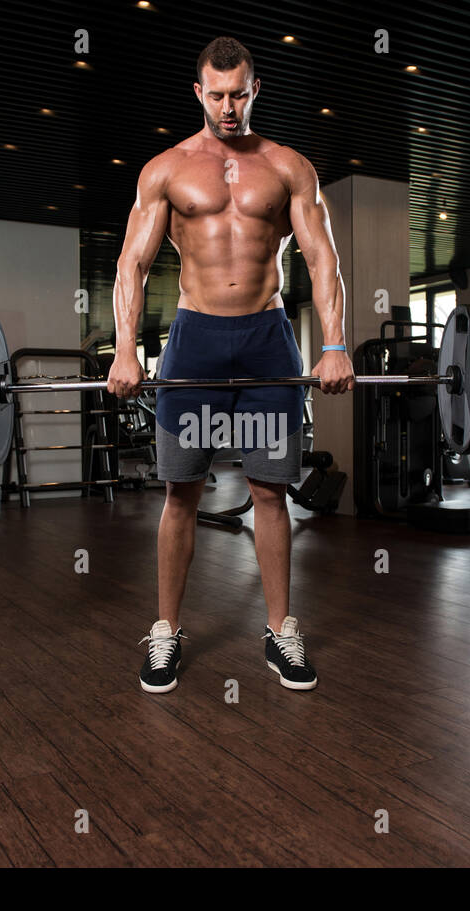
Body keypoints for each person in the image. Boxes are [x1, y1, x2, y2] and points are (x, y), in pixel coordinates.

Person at [108, 36, 353, 695]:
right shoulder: (166, 169)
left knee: (271, 490)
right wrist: (125, 347)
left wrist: (334, 343)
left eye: (238, 93)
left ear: (255, 89)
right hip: (194, 343)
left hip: (269, 340)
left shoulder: (288, 166)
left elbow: (322, 258)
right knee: (180, 491)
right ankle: (166, 630)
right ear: (198, 93)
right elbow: (131, 263)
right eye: (216, 95)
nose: (227, 106)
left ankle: (281, 630)